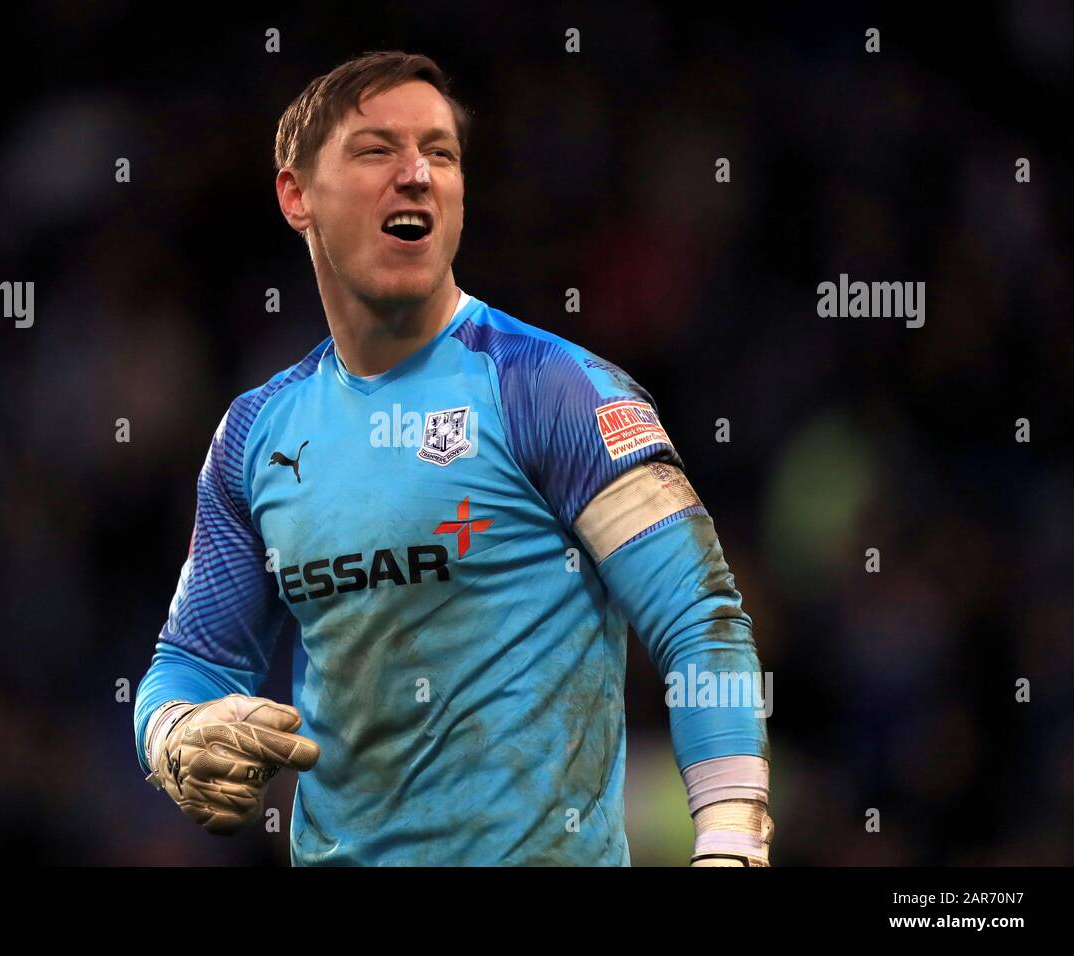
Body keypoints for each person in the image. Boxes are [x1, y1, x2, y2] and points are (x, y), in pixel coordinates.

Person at [135, 50, 772, 866]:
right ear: (297, 196)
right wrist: (176, 732)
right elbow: (189, 660)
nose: (416, 174)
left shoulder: (556, 391)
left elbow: (699, 619)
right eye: (376, 150)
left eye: (440, 152)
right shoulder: (255, 435)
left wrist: (730, 840)